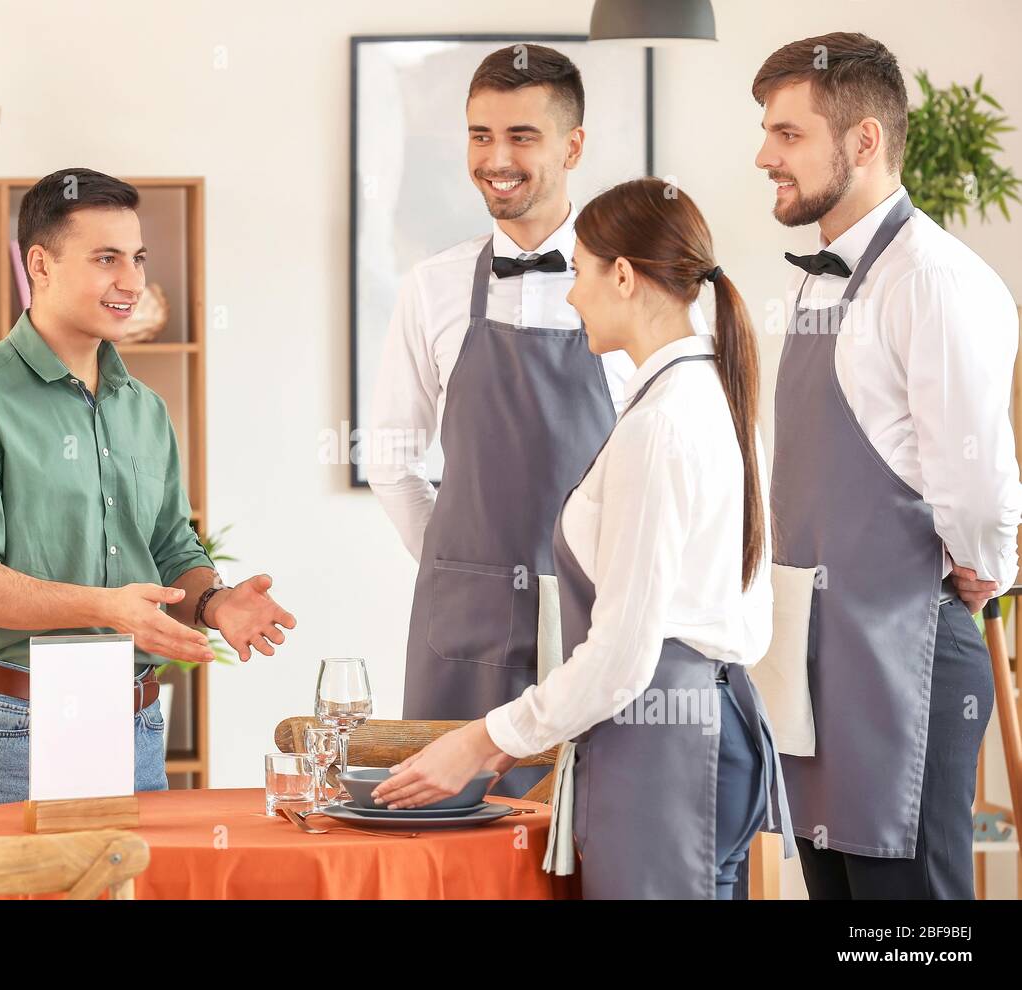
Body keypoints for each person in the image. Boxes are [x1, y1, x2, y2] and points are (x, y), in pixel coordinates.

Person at [373, 177, 793, 899]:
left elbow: (622, 655)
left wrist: (485, 740)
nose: (570, 296)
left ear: (623, 277)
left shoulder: (658, 425)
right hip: (713, 725)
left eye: (581, 273)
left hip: (660, 744)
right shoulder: (712, 395)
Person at [0, 168, 296, 831]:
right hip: (12, 730)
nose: (132, 281)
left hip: (134, 725)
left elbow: (173, 545)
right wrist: (106, 609)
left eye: (138, 258)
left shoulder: (144, 409)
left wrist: (214, 601)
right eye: (107, 259)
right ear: (42, 264)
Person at [369, 44, 706, 798]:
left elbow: (678, 452)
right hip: (464, 630)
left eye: (522, 135)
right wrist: (463, 568)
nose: (496, 158)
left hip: (597, 620)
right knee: (450, 849)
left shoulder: (632, 288)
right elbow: (392, 458)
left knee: (590, 843)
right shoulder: (433, 287)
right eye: (479, 135)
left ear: (573, 145)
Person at [753, 33, 1020, 898]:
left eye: (788, 134)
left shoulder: (935, 280)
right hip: (816, 656)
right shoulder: (813, 281)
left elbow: (977, 475)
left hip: (908, 652)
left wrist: (989, 570)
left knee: (910, 925)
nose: (765, 156)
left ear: (863, 141)